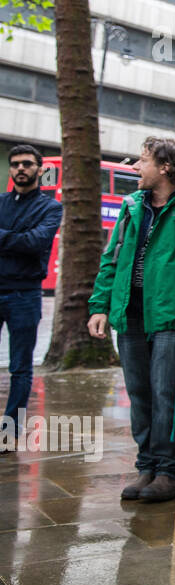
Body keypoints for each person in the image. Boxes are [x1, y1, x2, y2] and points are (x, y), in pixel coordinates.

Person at [88, 137, 175, 501]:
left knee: (168, 395)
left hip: (169, 314)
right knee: (140, 394)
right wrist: (99, 306)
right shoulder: (132, 207)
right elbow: (111, 260)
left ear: (164, 167)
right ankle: (146, 466)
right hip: (129, 313)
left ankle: (167, 470)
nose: (136, 168)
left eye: (143, 160)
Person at [0, 144, 62, 447]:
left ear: (40, 169)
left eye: (26, 164)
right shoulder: (0, 202)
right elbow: (24, 240)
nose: (20, 169)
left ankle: (8, 434)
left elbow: (36, 243)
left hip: (25, 294)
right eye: (15, 164)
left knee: (20, 368)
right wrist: (18, 238)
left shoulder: (51, 207)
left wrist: (5, 236)